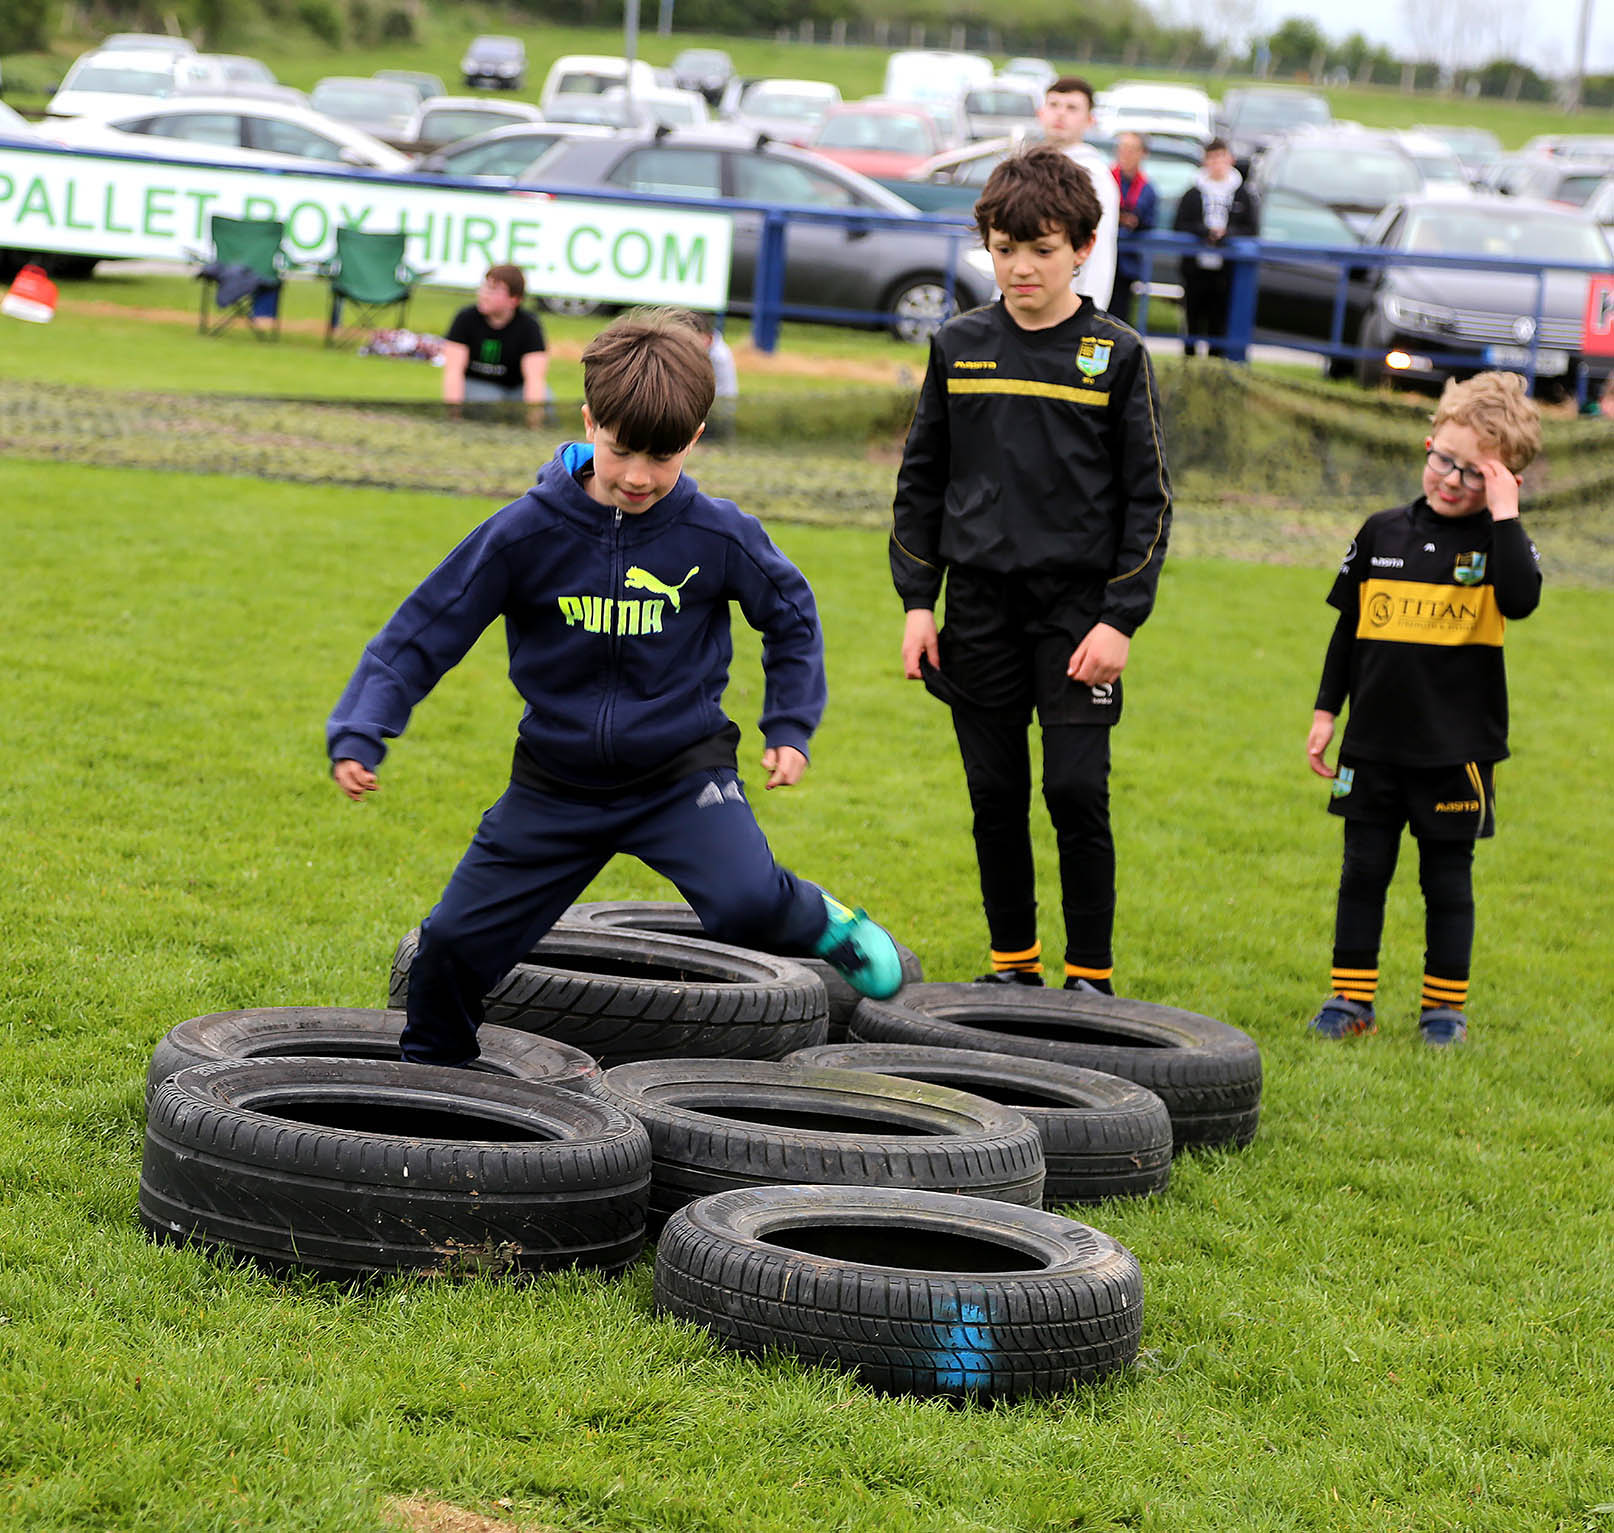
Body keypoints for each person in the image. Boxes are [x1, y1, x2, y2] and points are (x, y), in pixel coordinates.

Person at [329, 308, 903, 1067]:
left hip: (679, 774)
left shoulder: (717, 534)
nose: (638, 475)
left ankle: (827, 922)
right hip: (554, 784)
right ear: (590, 420)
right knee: (452, 944)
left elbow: (791, 614)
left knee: (746, 903)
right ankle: (436, 1073)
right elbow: (424, 630)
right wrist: (364, 727)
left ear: (695, 438)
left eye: (661, 456)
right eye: (622, 449)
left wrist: (789, 725)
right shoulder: (526, 532)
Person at [891, 145, 1171, 992]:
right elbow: (920, 483)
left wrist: (1118, 619)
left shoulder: (1115, 355)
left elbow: (1148, 502)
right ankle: (1013, 966)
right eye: (1004, 248)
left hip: (1078, 616)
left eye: (1041, 249)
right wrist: (917, 604)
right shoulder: (958, 345)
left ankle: (1089, 973)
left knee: (1076, 789)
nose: (1020, 267)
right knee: (995, 793)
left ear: (1083, 247)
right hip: (977, 610)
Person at [1304, 372, 1542, 1047]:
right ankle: (1351, 999)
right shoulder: (1380, 531)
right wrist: (1327, 713)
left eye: (1476, 473)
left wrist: (1504, 514)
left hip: (1456, 752)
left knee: (1447, 881)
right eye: (1446, 459)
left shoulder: (1503, 548)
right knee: (1363, 872)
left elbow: (1521, 600)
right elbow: (1346, 632)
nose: (1453, 479)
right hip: (1371, 745)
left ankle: (1444, 1009)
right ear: (1429, 442)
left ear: (1503, 480)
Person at [1036, 76, 1120, 311]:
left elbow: (1100, 250)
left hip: (1067, 307)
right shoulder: (1026, 168)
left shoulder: (1094, 176)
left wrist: (1090, 313)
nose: (1060, 114)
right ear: (1040, 112)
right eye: (1054, 105)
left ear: (1089, 120)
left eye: (1072, 108)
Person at [1171, 138, 1259, 358]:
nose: (1216, 163)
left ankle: (1215, 369)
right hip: (1196, 268)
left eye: (1221, 157)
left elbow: (1251, 228)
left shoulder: (1243, 194)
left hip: (1226, 271)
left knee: (1219, 321)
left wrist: (1227, 235)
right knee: (1192, 319)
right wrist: (1203, 232)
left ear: (1230, 159)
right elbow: (1179, 223)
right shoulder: (1193, 192)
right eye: (1212, 158)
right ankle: (1188, 366)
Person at [442, 264, 549, 410]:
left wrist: (534, 419)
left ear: (514, 299)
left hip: (515, 389)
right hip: (477, 384)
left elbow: (535, 380)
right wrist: (453, 414)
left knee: (547, 401)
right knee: (488, 401)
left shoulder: (529, 325)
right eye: (484, 287)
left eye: (492, 290)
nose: (483, 294)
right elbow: (453, 372)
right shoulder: (465, 319)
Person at [1110, 131, 1158, 329]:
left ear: (1142, 153)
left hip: (1126, 264)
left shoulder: (1147, 189)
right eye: (1122, 149)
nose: (1126, 154)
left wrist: (1134, 222)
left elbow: (1150, 221)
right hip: (1102, 256)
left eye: (1131, 149)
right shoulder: (1105, 180)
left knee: (1119, 319)